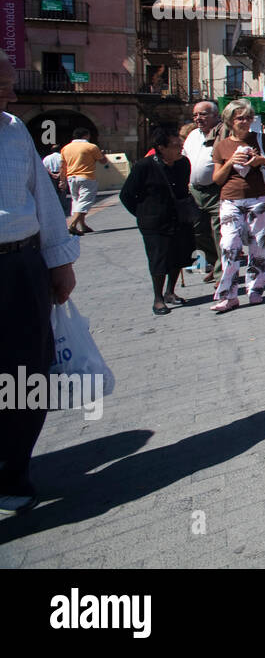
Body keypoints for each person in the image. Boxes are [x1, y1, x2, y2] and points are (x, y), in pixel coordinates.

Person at [0, 53, 79, 515]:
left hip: (21, 265)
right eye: (1, 85)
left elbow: (43, 199)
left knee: (30, 371)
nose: (11, 93)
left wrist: (59, 261)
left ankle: (13, 470)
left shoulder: (13, 129)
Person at [210, 98, 265, 313]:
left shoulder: (262, 140)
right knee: (229, 246)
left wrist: (262, 161)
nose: (245, 121)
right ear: (230, 121)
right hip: (231, 199)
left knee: (258, 246)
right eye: (240, 118)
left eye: (248, 117)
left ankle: (255, 289)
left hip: (260, 199)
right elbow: (217, 178)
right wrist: (230, 161)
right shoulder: (221, 146)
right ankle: (228, 295)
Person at [119, 126, 196, 315]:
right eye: (176, 145)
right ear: (161, 147)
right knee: (158, 259)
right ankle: (158, 298)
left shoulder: (183, 163)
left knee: (180, 256)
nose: (180, 148)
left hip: (179, 218)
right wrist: (143, 214)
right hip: (154, 223)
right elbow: (126, 195)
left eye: (181, 144)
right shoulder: (144, 166)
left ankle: (171, 292)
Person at [184, 100, 223, 284]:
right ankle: (214, 263)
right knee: (197, 231)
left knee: (219, 232)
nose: (198, 118)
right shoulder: (192, 135)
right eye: (195, 115)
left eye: (203, 114)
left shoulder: (223, 134)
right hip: (194, 190)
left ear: (216, 115)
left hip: (216, 190)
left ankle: (221, 273)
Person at [61, 127, 107, 235]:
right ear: (86, 135)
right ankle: (72, 224)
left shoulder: (66, 148)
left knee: (76, 201)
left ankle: (82, 225)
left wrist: (62, 181)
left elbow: (62, 166)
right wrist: (103, 154)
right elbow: (103, 162)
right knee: (84, 201)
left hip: (71, 177)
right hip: (86, 177)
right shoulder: (91, 147)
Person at [41, 145, 70, 216]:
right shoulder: (62, 157)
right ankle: (64, 207)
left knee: (54, 192)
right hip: (61, 174)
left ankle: (56, 208)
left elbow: (44, 167)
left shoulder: (47, 158)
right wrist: (59, 174)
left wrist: (52, 174)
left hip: (51, 176)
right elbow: (65, 166)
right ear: (60, 150)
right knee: (63, 191)